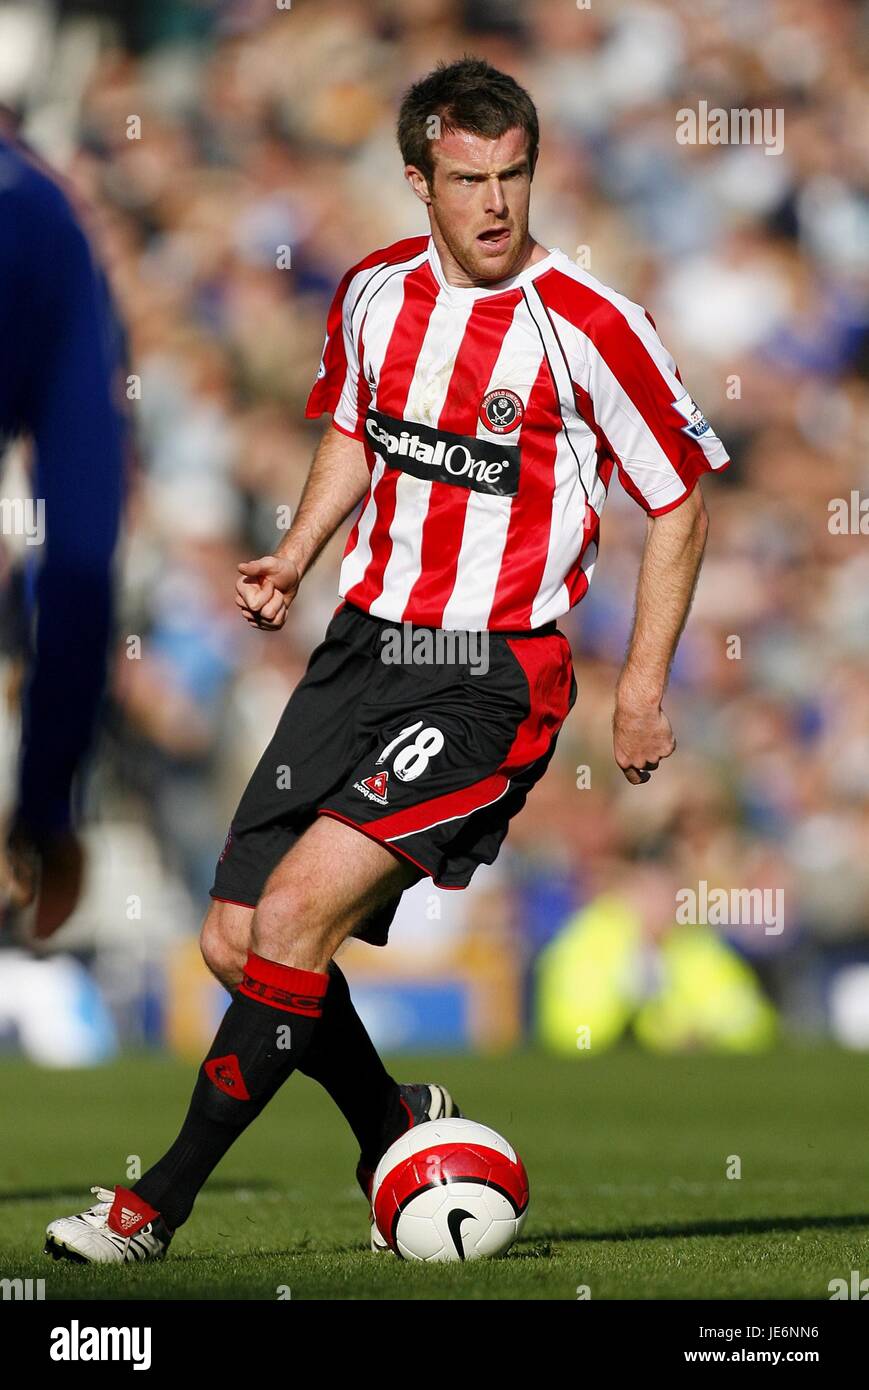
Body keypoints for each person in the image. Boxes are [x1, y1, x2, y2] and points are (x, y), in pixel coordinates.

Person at [45, 57, 728, 1264]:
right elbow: (355, 432)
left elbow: (676, 501)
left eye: (513, 175)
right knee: (236, 938)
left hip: (487, 672)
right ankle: (397, 1132)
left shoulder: (592, 325)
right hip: (360, 648)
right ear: (417, 178)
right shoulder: (369, 293)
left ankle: (150, 1209)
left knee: (297, 916)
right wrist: (293, 557)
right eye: (467, 179)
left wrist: (641, 690)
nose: (495, 205)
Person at [0, 121, 126, 942]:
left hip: (47, 268)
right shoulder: (47, 206)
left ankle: (45, 815)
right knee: (81, 571)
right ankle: (46, 817)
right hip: (52, 258)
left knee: (81, 575)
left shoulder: (44, 214)